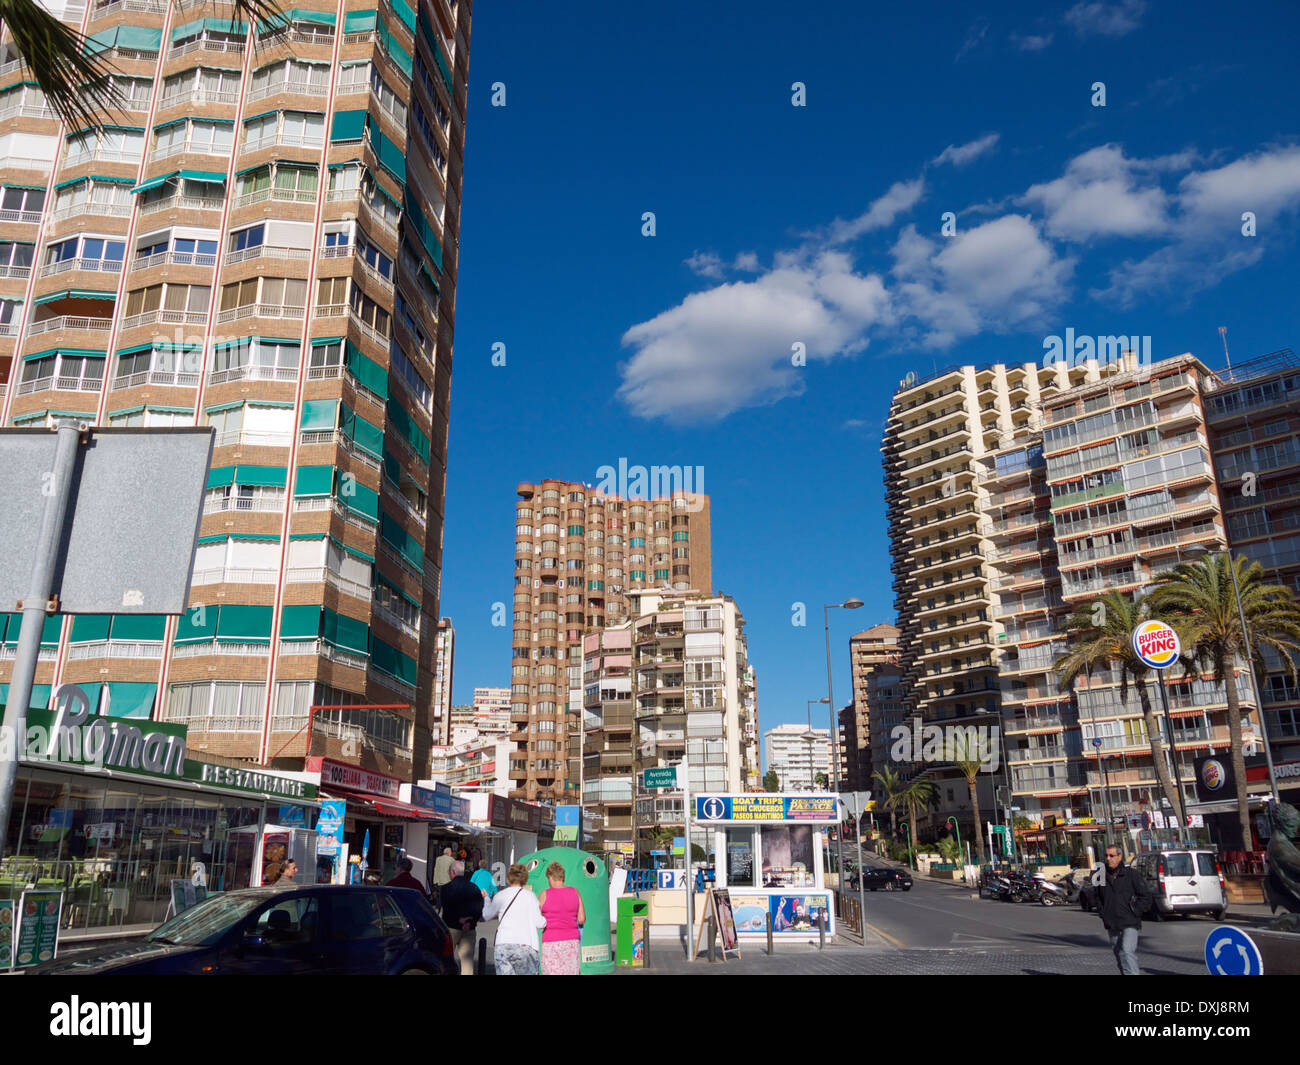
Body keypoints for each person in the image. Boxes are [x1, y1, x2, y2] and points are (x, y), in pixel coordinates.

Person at [1091, 843, 1152, 975]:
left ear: (1119, 856)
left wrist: (1135, 911)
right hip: (1111, 922)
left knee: (1127, 950)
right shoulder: (1101, 875)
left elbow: (1145, 896)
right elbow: (1096, 897)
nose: (1108, 858)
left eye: (1112, 855)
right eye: (1106, 855)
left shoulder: (1131, 875)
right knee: (1119, 953)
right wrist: (1103, 913)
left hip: (1130, 921)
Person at [482, 863, 546, 975]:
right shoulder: (530, 896)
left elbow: (486, 915)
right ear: (525, 878)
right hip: (526, 944)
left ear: (508, 878)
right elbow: (540, 923)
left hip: (503, 944)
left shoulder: (500, 895)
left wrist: (486, 899)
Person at [537, 861, 584, 975]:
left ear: (551, 877)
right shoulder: (575, 891)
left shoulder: (544, 894)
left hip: (551, 942)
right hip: (572, 942)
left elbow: (536, 919)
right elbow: (581, 919)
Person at [439, 860, 484, 976]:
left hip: (452, 929)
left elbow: (446, 908)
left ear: (452, 872)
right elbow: (479, 907)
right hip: (469, 929)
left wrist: (458, 920)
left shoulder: (446, 888)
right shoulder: (474, 888)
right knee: (467, 964)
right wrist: (469, 921)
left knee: (446, 961)